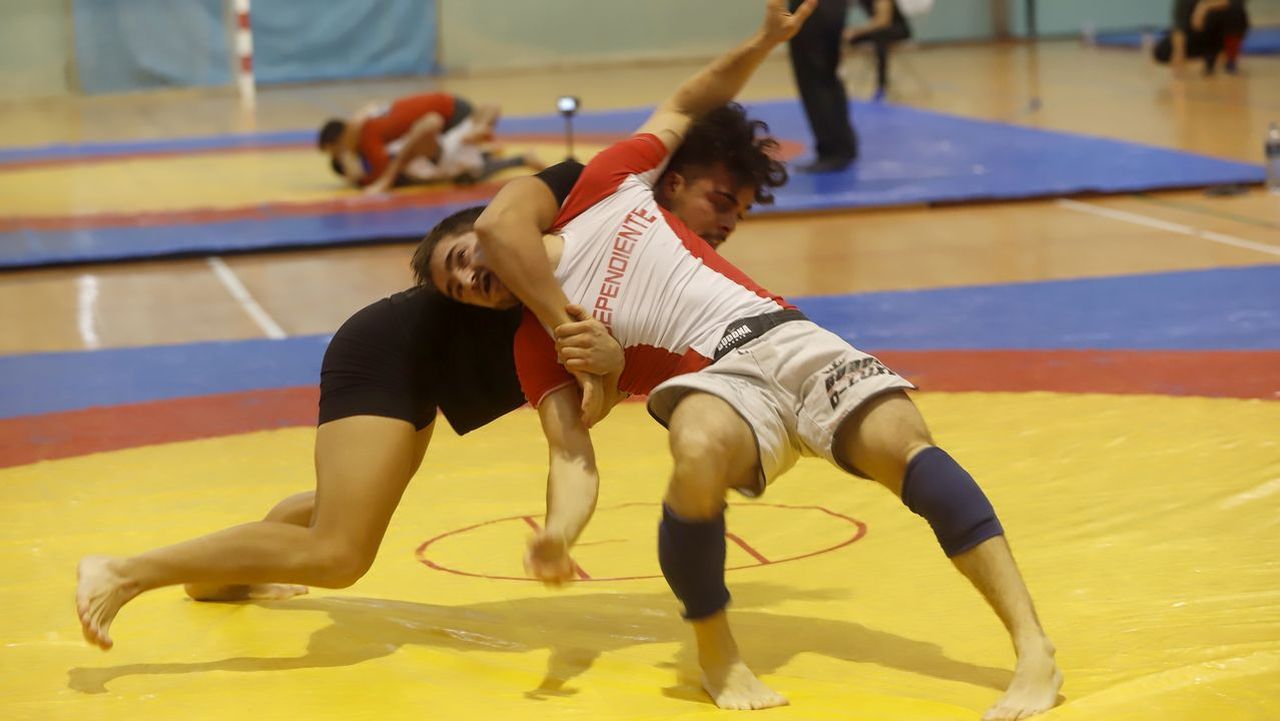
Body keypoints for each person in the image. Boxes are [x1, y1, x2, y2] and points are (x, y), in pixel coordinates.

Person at [426, 1, 1062, 718]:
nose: (470, 279)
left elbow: (689, 102)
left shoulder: (604, 186)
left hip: (780, 332)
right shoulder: (535, 347)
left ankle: (1033, 647)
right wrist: (560, 532)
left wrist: (763, 42)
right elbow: (571, 455)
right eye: (459, 290)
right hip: (715, 385)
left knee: (909, 448)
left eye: (462, 261)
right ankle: (717, 658)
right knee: (696, 449)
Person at [73, 131, 764, 653]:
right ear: (673, 184)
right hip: (390, 352)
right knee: (341, 553)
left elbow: (591, 397)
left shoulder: (655, 261)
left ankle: (219, 576)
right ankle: (125, 571)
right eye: (721, 201)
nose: (728, 221)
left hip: (429, 363)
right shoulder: (585, 198)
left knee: (339, 508)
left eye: (739, 212)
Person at [316, 92, 542, 194]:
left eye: (337, 153)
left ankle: (487, 141)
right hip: (446, 132)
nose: (341, 156)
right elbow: (362, 173)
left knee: (467, 161)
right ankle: (498, 148)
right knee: (471, 165)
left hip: (447, 124)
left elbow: (377, 166)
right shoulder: (365, 141)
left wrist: (379, 177)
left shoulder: (366, 136)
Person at [786, 0, 858, 173]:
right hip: (828, 7)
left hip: (813, 9)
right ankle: (842, 146)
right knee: (827, 77)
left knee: (815, 80)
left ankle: (834, 151)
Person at [1153, 0, 1249, 75]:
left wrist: (1205, 6)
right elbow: (1180, 25)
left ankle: (1228, 58)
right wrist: (1179, 51)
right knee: (1162, 50)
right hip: (1199, 33)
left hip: (1220, 31)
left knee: (1235, 11)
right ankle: (1209, 55)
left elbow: (1237, 3)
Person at [844, 0, 912, 101]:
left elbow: (883, 21)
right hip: (877, 31)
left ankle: (881, 86)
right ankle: (838, 75)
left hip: (897, 29)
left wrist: (857, 31)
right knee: (848, 38)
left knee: (879, 38)